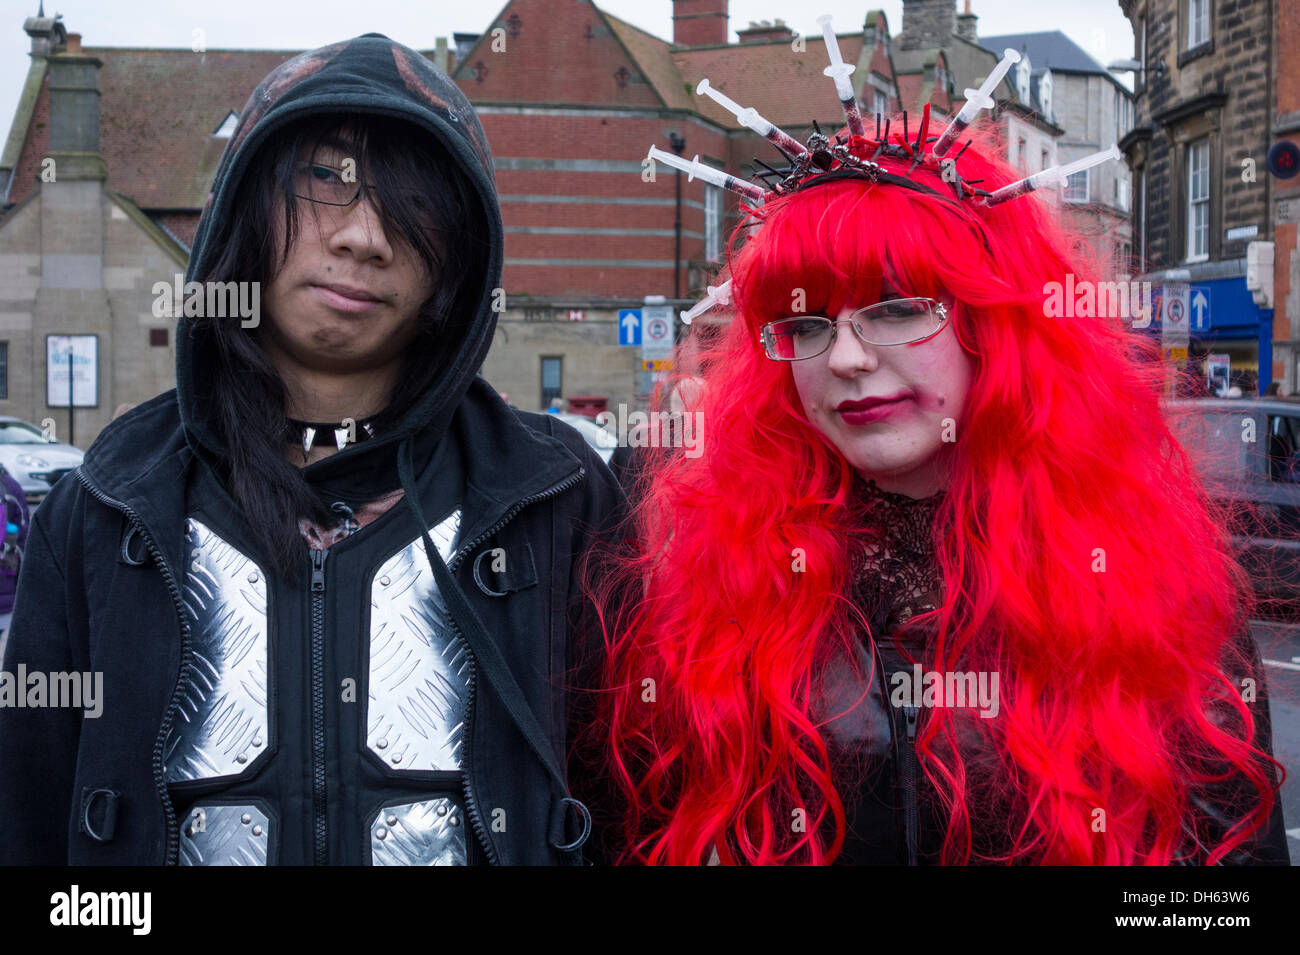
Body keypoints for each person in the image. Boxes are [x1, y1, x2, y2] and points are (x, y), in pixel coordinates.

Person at [581, 93, 1291, 864]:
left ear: (993, 318)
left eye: (894, 307)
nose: (846, 358)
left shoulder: (1146, 567)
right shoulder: (721, 565)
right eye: (810, 323)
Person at [0, 34, 623, 865]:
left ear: (456, 271)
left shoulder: (555, 499)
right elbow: (29, 822)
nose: (365, 236)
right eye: (325, 177)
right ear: (245, 209)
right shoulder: (109, 505)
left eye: (416, 203)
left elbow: (641, 808)